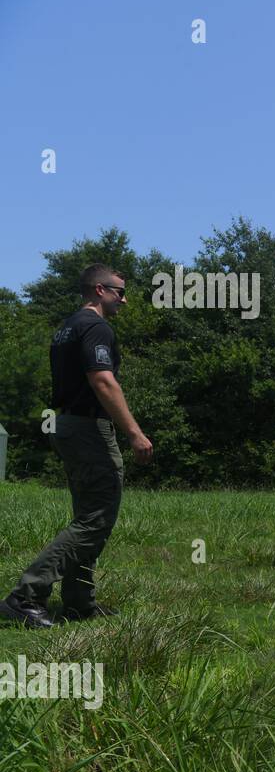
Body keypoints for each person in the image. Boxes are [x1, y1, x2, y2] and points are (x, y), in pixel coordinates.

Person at [1, 264, 153, 628]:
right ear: (99, 290)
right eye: (119, 291)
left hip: (66, 424)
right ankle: (25, 596)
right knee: (96, 518)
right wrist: (133, 432)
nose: (124, 299)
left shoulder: (66, 328)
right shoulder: (97, 327)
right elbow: (102, 381)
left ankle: (78, 602)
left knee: (88, 516)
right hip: (88, 428)